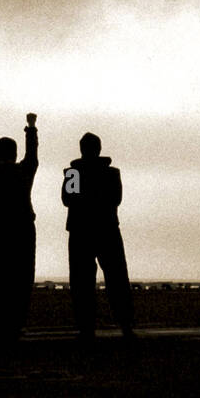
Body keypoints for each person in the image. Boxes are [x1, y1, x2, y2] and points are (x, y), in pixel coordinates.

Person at [61, 131, 134, 341]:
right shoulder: (111, 173)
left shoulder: (73, 173)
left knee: (82, 281)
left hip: (81, 230)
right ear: (98, 149)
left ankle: (86, 327)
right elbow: (115, 199)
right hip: (106, 228)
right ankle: (125, 324)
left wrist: (85, 202)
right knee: (117, 277)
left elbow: (69, 200)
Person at [0, 110, 39, 338]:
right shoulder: (24, 171)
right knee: (22, 277)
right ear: (15, 154)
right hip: (22, 228)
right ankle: (17, 322)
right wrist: (31, 126)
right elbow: (32, 153)